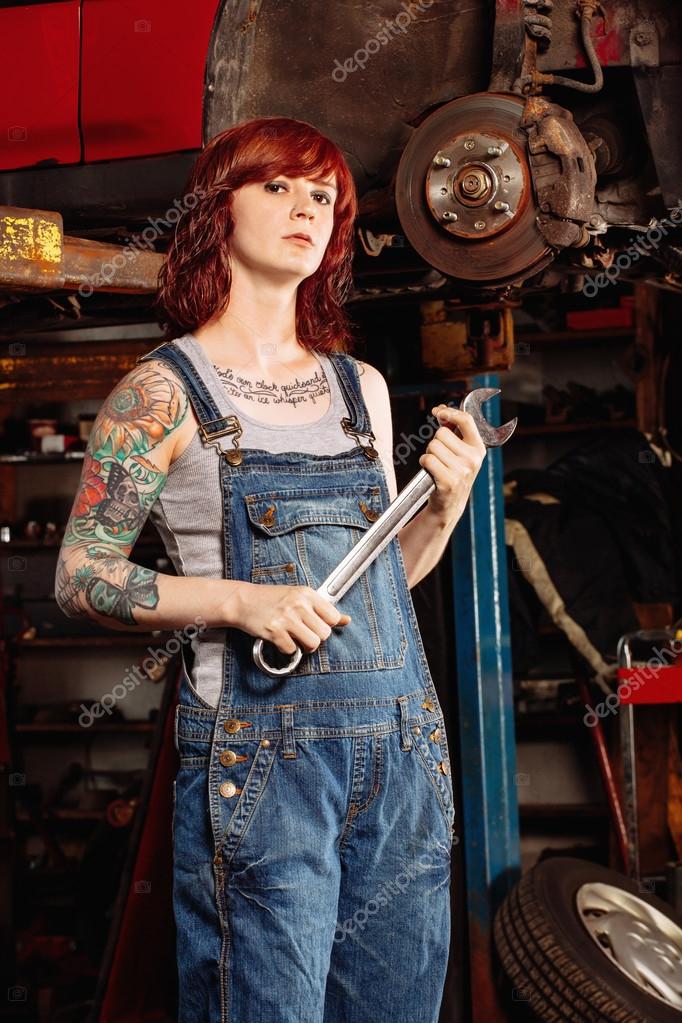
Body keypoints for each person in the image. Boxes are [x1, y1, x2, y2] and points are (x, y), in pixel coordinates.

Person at [55, 116, 486, 1023]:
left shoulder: (360, 387)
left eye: (323, 196)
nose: (306, 210)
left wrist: (445, 503)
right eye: (279, 187)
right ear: (220, 208)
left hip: (401, 753)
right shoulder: (161, 392)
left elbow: (375, 584)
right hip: (262, 765)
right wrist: (241, 601)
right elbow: (82, 574)